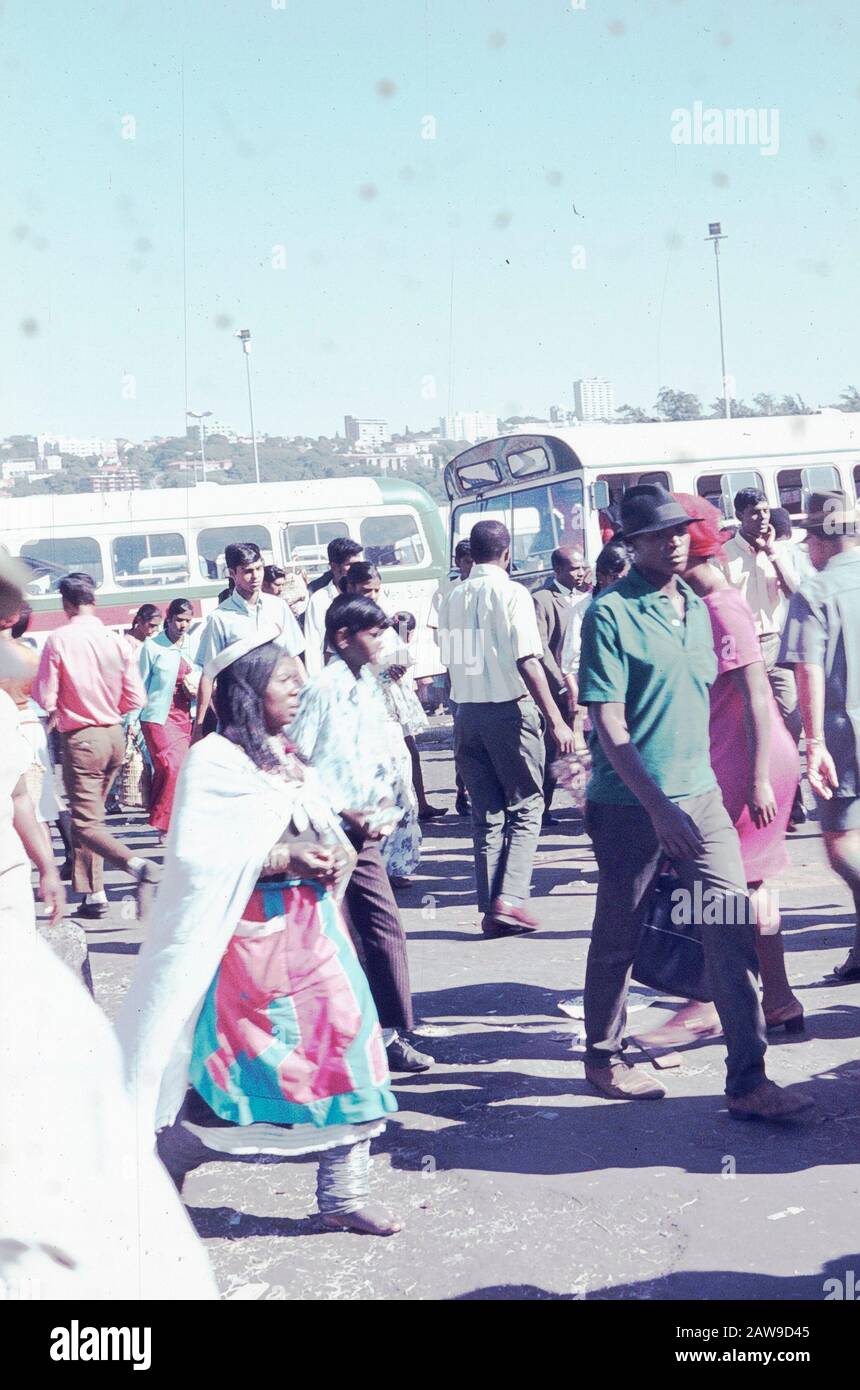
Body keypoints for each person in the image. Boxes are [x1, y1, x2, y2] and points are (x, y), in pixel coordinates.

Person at [117, 633, 401, 1237]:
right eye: (286, 680)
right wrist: (285, 859)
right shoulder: (215, 760)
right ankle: (172, 1162)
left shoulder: (283, 750)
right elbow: (196, 859)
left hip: (315, 930)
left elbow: (307, 813)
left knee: (348, 1046)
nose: (299, 689)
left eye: (301, 678)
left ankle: (343, 1194)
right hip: (252, 943)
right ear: (248, 689)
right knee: (246, 1070)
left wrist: (349, 824)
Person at [577, 483, 811, 1120]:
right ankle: (602, 1056)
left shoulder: (700, 608)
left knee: (731, 927)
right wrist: (656, 807)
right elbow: (610, 725)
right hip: (630, 805)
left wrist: (750, 778)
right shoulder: (610, 613)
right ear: (631, 544)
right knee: (619, 935)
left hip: (702, 797)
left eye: (680, 530)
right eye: (658, 534)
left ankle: (748, 1082)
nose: (674, 540)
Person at [636, 495, 802, 1046]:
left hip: (746, 758)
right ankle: (776, 1000)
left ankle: (707, 999)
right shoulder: (702, 600)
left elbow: (757, 698)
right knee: (748, 886)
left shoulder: (717, 607)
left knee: (722, 888)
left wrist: (756, 778)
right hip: (739, 754)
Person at [288, 594, 433, 1074]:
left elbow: (372, 752)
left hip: (366, 829)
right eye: (372, 634)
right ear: (342, 638)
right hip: (328, 831)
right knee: (335, 937)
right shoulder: (322, 688)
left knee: (382, 927)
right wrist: (347, 810)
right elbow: (299, 761)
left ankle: (389, 1032)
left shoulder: (367, 684)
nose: (380, 642)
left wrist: (388, 802)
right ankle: (346, 1041)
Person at [437, 520, 575, 937]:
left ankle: (491, 907)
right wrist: (555, 719)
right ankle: (511, 898)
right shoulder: (512, 593)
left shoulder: (453, 597)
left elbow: (456, 663)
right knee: (528, 806)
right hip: (508, 714)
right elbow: (527, 660)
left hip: (467, 715)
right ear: (506, 553)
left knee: (488, 814)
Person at [32, 573, 158, 921]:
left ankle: (136, 865)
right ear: (93, 600)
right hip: (114, 735)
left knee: (85, 824)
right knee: (94, 818)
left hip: (81, 739)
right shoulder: (115, 640)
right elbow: (136, 697)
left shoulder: (59, 640)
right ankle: (94, 894)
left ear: (66, 604)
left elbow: (45, 696)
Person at [779, 492, 860, 984]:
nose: (807, 546)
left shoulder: (815, 592)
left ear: (824, 541)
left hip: (841, 737)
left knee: (841, 844)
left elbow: (808, 669)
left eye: (810, 536)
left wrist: (813, 745)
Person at [721, 487, 804, 827]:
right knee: (750, 725)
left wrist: (771, 553)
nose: (762, 518)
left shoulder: (779, 551)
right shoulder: (724, 555)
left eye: (766, 512)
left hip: (775, 644)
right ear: (740, 515)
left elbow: (795, 592)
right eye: (755, 512)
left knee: (791, 716)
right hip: (743, 649)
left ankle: (792, 794)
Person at [193, 541, 306, 738]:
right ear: (232, 573)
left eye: (259, 568)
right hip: (240, 714)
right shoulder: (220, 618)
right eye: (247, 571)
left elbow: (294, 657)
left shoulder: (278, 607)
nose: (255, 576)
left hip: (280, 708)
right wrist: (199, 725)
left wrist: (307, 696)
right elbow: (209, 674)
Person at [535, 547, 592, 822]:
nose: (580, 572)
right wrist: (561, 683)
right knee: (554, 749)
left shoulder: (588, 596)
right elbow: (541, 647)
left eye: (582, 567)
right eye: (573, 568)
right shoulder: (543, 600)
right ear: (557, 571)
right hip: (558, 688)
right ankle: (542, 808)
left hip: (587, 687)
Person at [138, 598, 197, 837]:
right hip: (156, 717)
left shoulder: (193, 645)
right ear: (169, 619)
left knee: (176, 770)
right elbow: (139, 685)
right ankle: (165, 824)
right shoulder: (152, 647)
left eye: (188, 621)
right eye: (179, 620)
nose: (183, 625)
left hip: (185, 715)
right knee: (173, 766)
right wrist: (130, 722)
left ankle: (166, 817)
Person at [303, 537, 365, 676]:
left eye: (359, 563)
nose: (357, 569)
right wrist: (316, 684)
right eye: (350, 564)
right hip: (338, 674)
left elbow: (397, 625)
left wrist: (399, 661)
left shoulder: (368, 592)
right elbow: (313, 645)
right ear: (334, 566)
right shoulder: (320, 600)